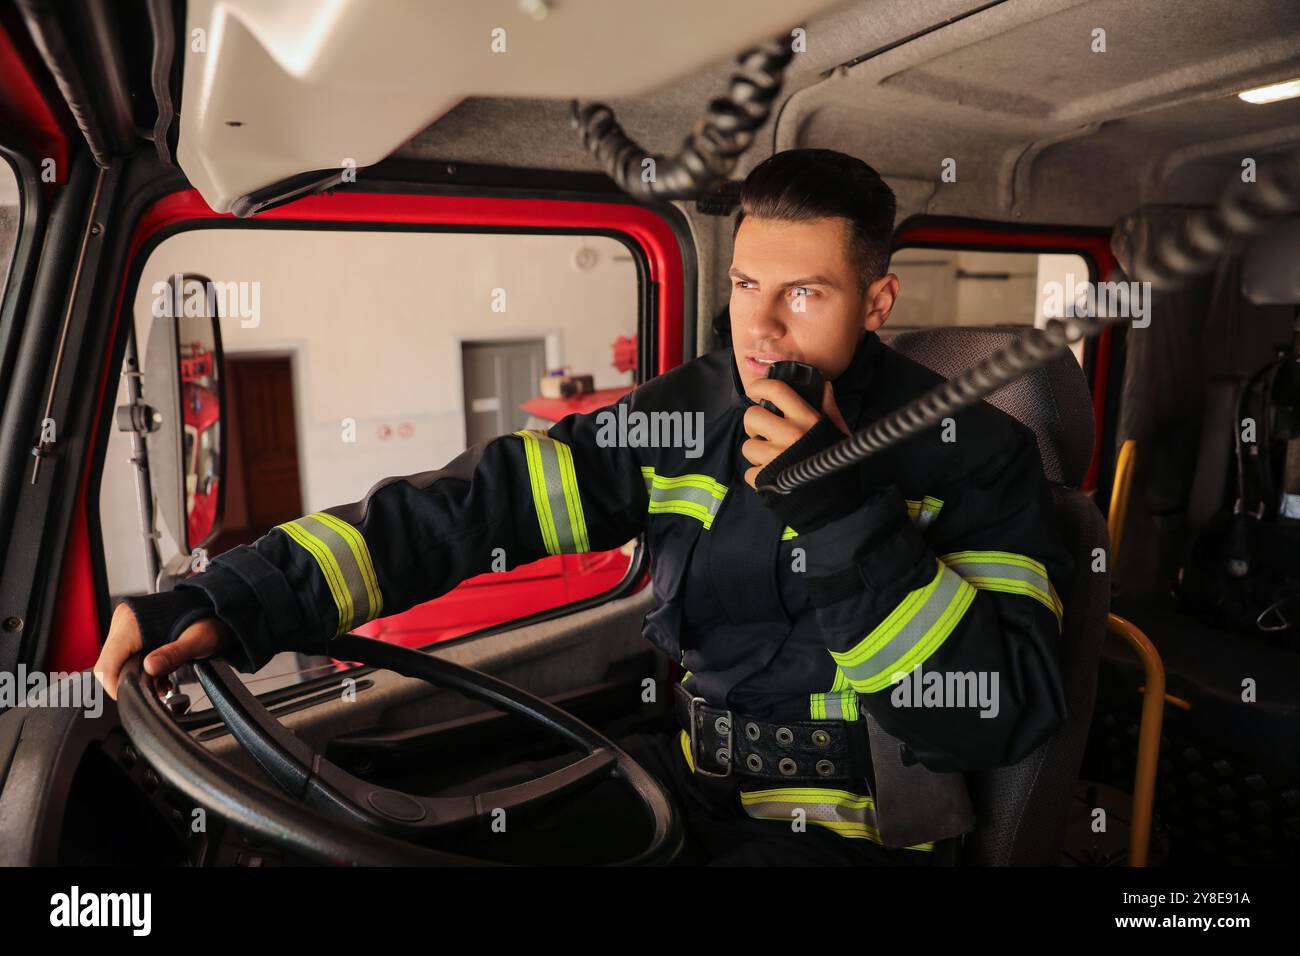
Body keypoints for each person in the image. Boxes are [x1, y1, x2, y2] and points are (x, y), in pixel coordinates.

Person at [95, 148, 1071, 865]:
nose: (760, 326)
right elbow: (481, 507)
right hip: (686, 780)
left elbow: (992, 715)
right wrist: (240, 594)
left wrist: (843, 513)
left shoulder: (980, 455)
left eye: (804, 292)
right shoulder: (686, 415)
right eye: (742, 285)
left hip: (852, 833)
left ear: (878, 300)